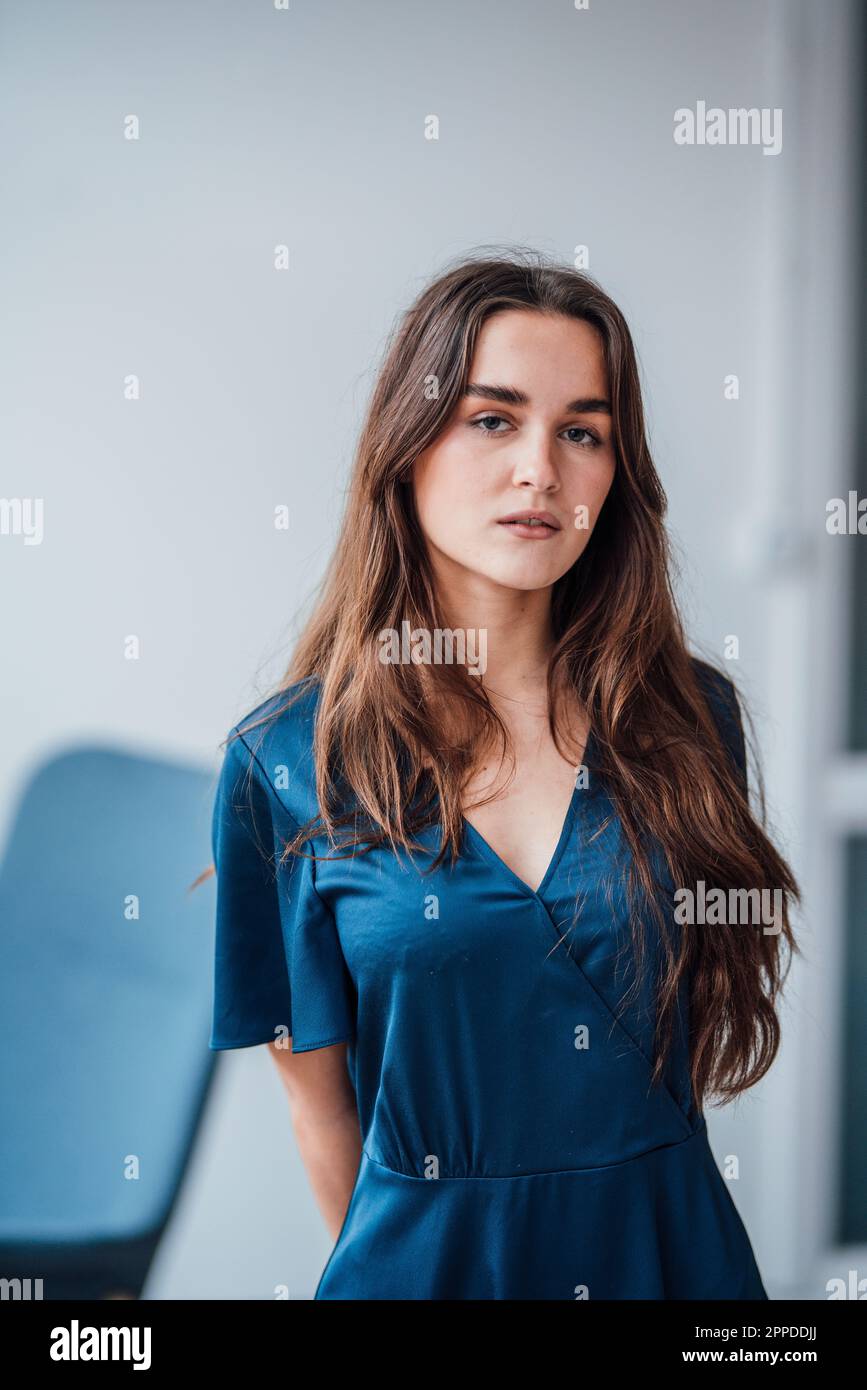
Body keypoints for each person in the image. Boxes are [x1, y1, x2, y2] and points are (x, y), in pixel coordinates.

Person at [206, 250, 800, 1300]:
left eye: (583, 431)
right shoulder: (285, 762)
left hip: (674, 1263)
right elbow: (320, 1109)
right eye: (494, 419)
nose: (542, 470)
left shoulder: (690, 720)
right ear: (406, 445)